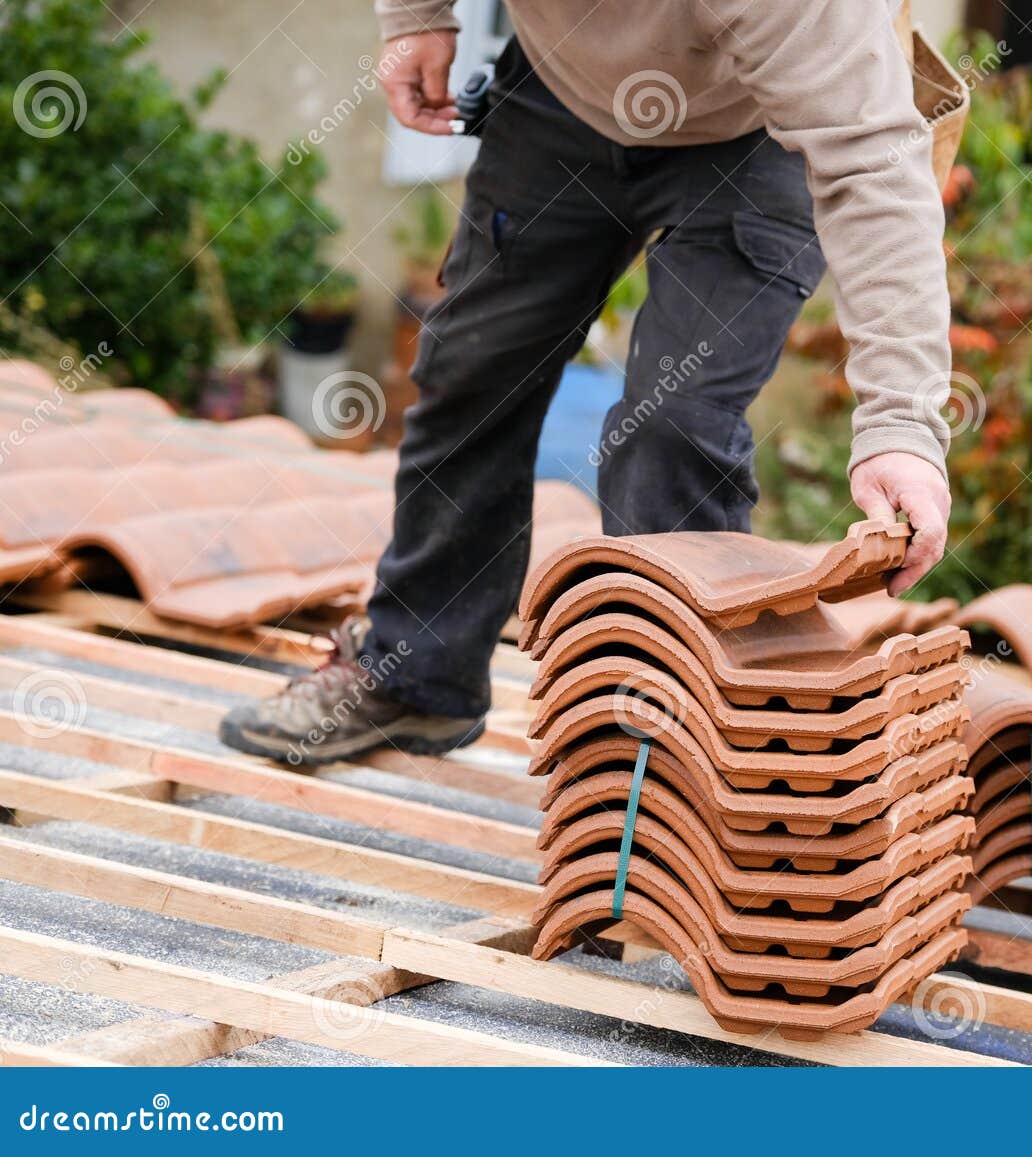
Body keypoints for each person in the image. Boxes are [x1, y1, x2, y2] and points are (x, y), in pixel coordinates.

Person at [219, 0, 953, 765]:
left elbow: (872, 167)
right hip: (559, 94)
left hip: (755, 131)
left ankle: (663, 746)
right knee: (471, 368)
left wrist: (902, 423)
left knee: (675, 423)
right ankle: (419, 679)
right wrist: (417, 16)